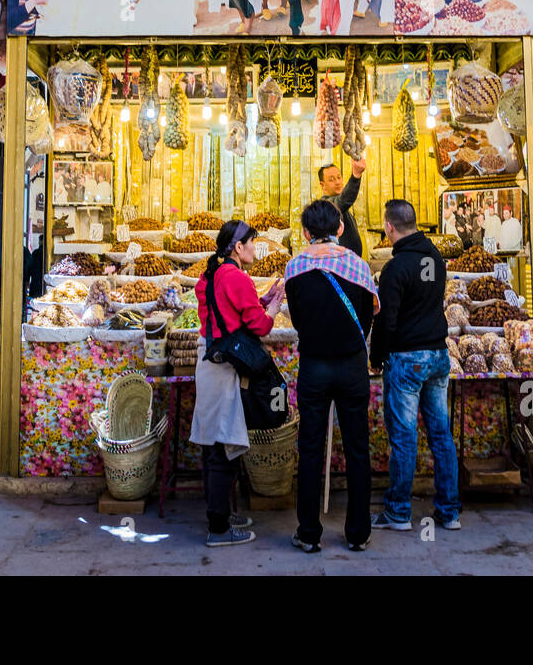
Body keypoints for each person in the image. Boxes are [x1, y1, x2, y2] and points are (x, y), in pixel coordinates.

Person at [283, 200, 378, 553]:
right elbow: (369, 318)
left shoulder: (295, 268)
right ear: (340, 229)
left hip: (314, 366)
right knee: (357, 448)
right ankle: (358, 533)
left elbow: (296, 321)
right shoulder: (359, 266)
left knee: (309, 448)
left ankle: (308, 533)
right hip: (352, 366)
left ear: (305, 232)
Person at [191, 220, 286, 547]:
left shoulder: (213, 274)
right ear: (237, 247)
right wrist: (272, 308)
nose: (255, 249)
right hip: (225, 369)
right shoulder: (237, 278)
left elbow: (228, 312)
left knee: (214, 444)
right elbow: (259, 328)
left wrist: (260, 300)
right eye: (251, 243)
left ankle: (219, 514)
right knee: (222, 448)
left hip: (210, 362)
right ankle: (218, 530)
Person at [371, 199, 461, 532]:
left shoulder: (395, 268)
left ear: (389, 227)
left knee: (405, 437)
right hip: (438, 355)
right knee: (441, 434)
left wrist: (376, 356)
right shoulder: (435, 258)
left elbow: (387, 321)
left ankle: (398, 512)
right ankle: (449, 512)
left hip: (408, 359)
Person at [318, 158, 367, 257]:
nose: (337, 182)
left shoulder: (336, 201)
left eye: (339, 177)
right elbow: (344, 200)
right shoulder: (326, 205)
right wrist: (355, 176)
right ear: (322, 185)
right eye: (331, 179)